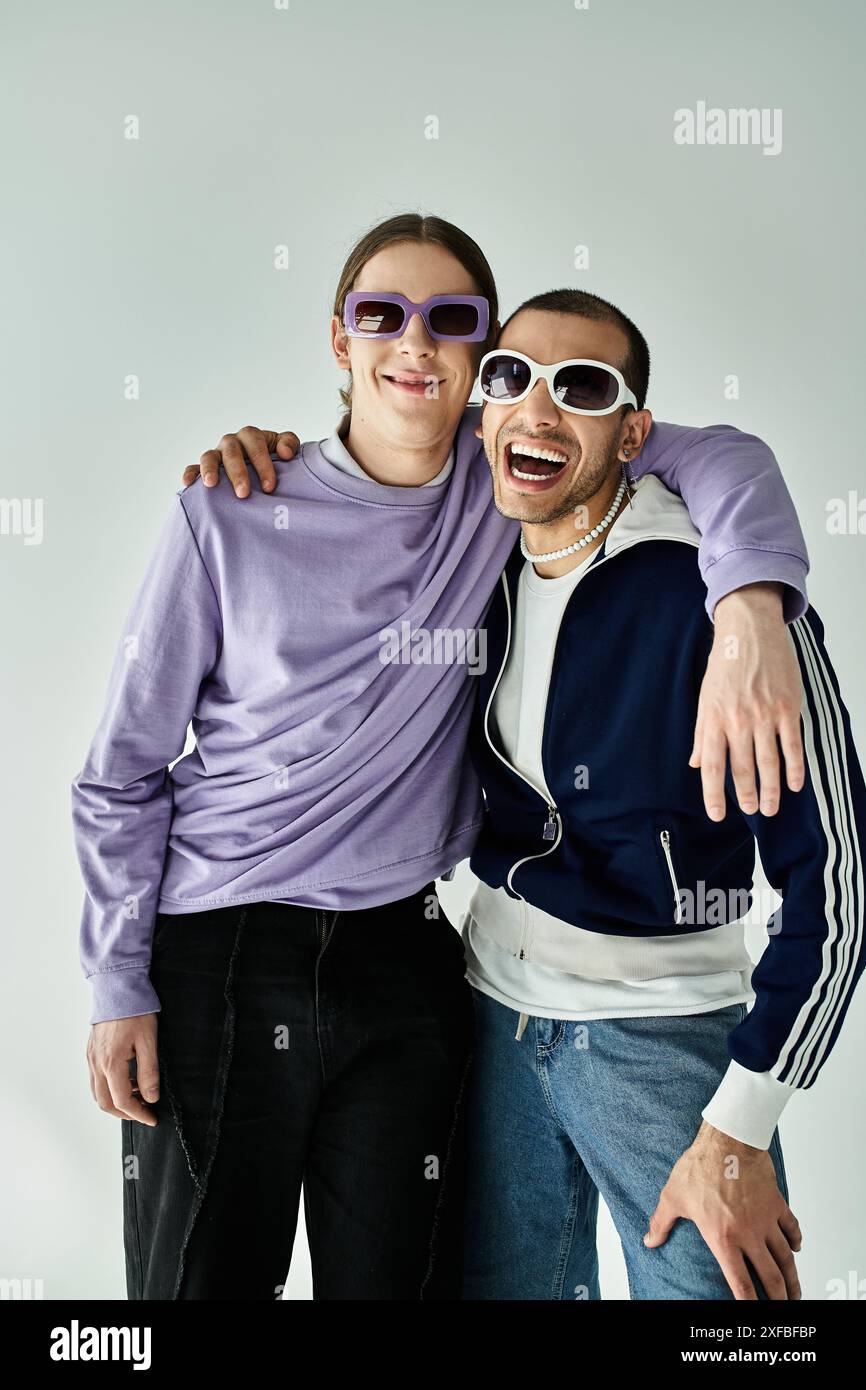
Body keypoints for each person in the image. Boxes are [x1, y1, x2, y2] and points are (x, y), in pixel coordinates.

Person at [74, 213, 809, 1301]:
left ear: (476, 365)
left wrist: (752, 605)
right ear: (340, 341)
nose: (413, 342)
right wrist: (113, 978)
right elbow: (120, 769)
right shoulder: (227, 508)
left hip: (408, 964)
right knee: (197, 1286)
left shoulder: (503, 484)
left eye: (451, 322)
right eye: (382, 314)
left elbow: (707, 450)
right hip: (221, 953)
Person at [456, 288, 865, 1300]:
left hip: (663, 1047)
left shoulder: (724, 601)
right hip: (484, 1029)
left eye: (581, 388)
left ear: (634, 431)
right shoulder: (471, 553)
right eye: (509, 377)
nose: (537, 410)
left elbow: (840, 889)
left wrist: (740, 1125)